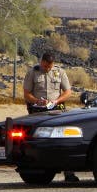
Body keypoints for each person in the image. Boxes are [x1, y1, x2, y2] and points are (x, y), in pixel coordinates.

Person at [23, 51, 79, 183]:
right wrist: (37, 101)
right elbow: (26, 94)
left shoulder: (60, 72)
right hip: (38, 111)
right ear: (41, 61)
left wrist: (57, 101)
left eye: (49, 66)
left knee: (63, 141)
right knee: (38, 140)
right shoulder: (32, 72)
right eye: (45, 66)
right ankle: (37, 169)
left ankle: (69, 173)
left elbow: (68, 92)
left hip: (57, 110)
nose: (47, 69)